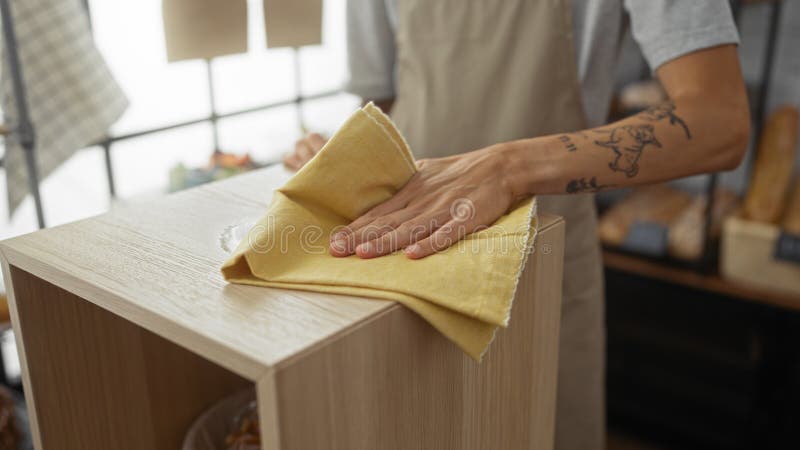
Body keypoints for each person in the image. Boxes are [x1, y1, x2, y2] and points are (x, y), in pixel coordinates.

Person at [283, 1, 750, 449]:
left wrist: (507, 168)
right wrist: (347, 153)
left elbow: (717, 120)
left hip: (544, 268)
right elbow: (381, 101)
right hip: (411, 261)